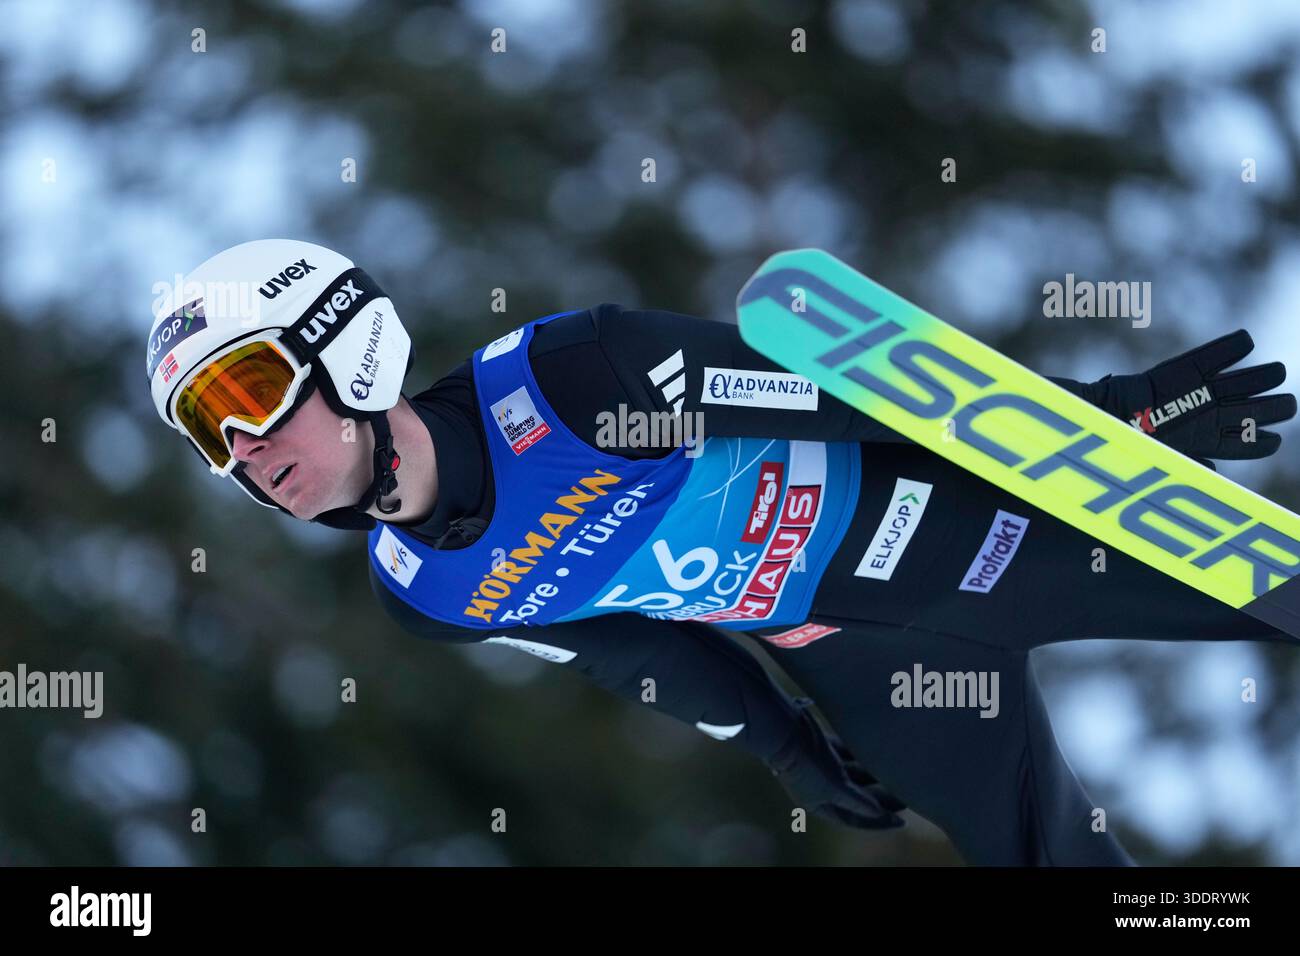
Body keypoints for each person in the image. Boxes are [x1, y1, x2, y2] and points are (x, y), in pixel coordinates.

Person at [147, 239, 1298, 865]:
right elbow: (623, 650)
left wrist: (1111, 417)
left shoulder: (571, 379)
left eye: (248, 390)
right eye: (209, 430)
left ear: (341, 345)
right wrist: (784, 743)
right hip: (870, 666)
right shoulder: (427, 589)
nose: (246, 448)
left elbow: (859, 395)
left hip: (975, 532)